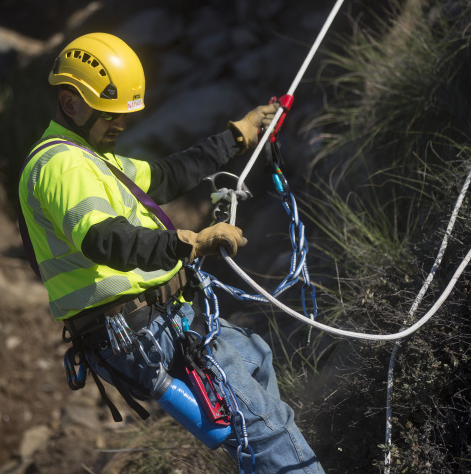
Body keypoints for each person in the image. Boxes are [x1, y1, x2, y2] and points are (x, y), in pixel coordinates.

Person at [18, 32, 324, 473]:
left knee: (256, 358)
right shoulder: (62, 165)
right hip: (140, 332)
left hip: (155, 323)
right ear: (72, 104)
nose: (120, 125)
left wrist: (236, 137)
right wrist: (192, 242)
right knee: (265, 428)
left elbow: (166, 175)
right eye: (110, 115)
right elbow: (106, 240)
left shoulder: (95, 161)